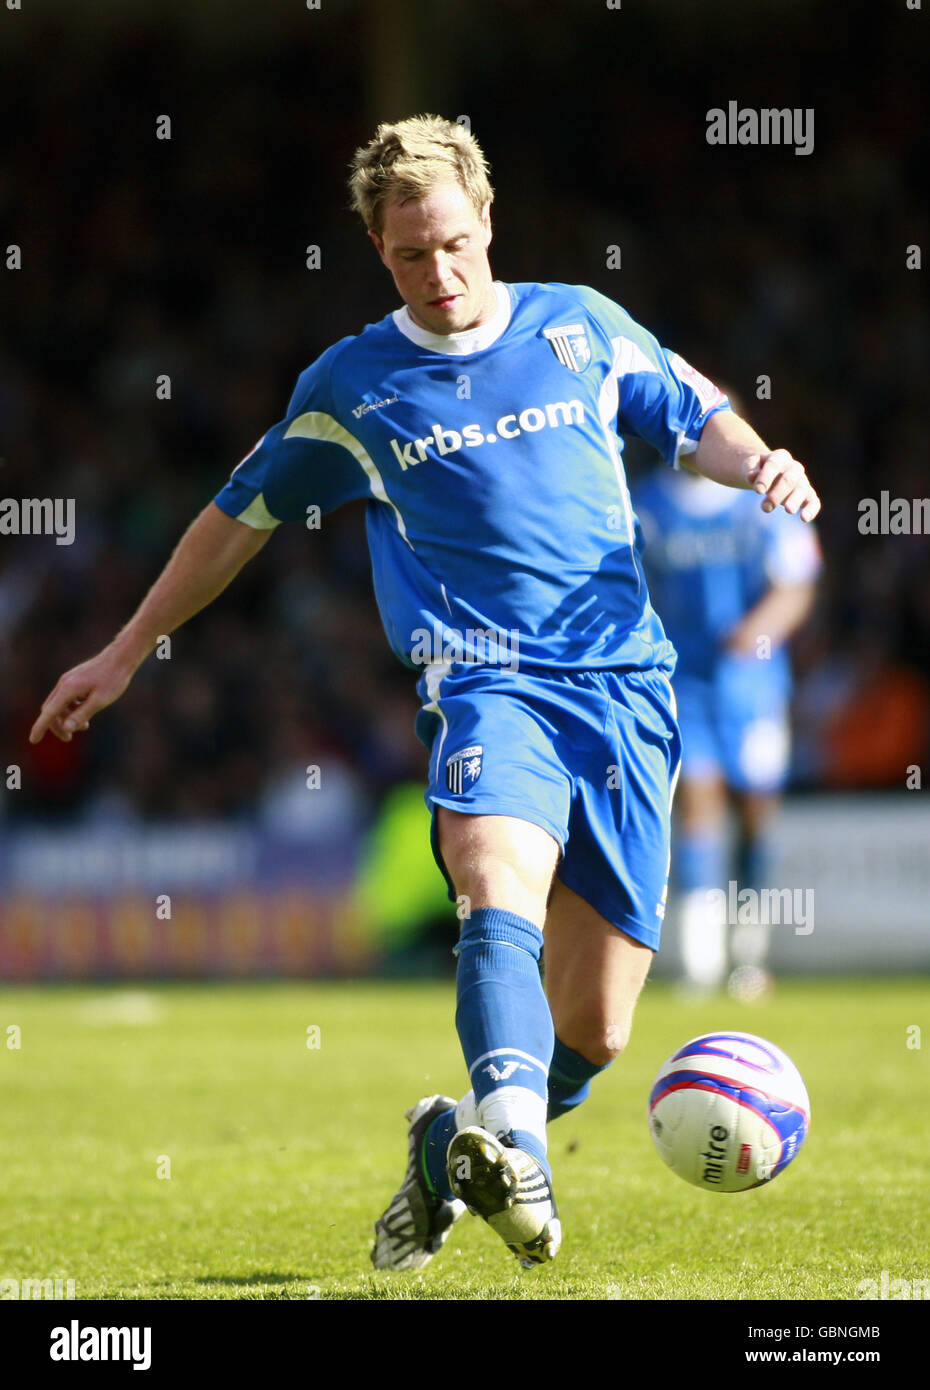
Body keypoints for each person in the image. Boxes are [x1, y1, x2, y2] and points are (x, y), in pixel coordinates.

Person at [29, 115, 821, 1272]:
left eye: (455, 243)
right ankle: (516, 1147)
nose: (440, 275)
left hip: (627, 691)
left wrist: (760, 463)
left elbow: (692, 416)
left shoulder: (578, 326)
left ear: (488, 221)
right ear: (375, 245)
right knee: (493, 878)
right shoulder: (353, 385)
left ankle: (454, 1137)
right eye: (411, 255)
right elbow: (231, 521)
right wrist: (124, 647)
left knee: (595, 1032)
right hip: (487, 678)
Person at [632, 441, 821, 998]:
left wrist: (757, 632)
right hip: (681, 684)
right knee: (697, 807)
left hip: (752, 687)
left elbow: (795, 584)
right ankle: (701, 959)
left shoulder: (758, 504)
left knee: (758, 812)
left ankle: (750, 953)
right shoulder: (647, 505)